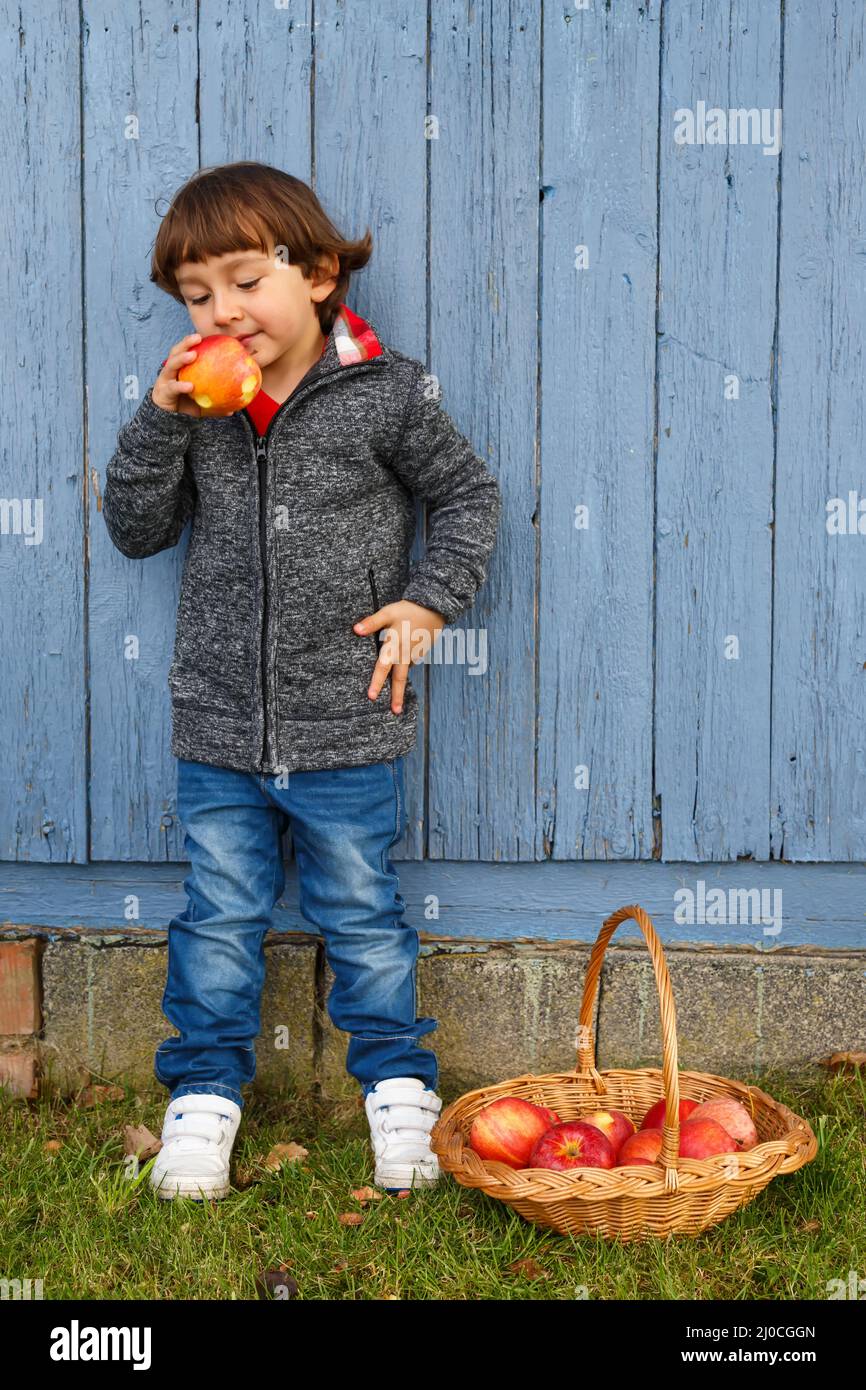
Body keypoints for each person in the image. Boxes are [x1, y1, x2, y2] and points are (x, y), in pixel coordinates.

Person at [102, 161, 502, 1201]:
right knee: (218, 917)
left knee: (363, 915)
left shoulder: (385, 391)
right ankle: (200, 1097)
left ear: (317, 272)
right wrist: (160, 416)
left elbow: (464, 497)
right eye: (197, 295)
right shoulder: (197, 404)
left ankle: (399, 1090)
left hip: (348, 720)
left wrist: (428, 599)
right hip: (221, 727)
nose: (222, 310)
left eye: (243, 280)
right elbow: (135, 529)